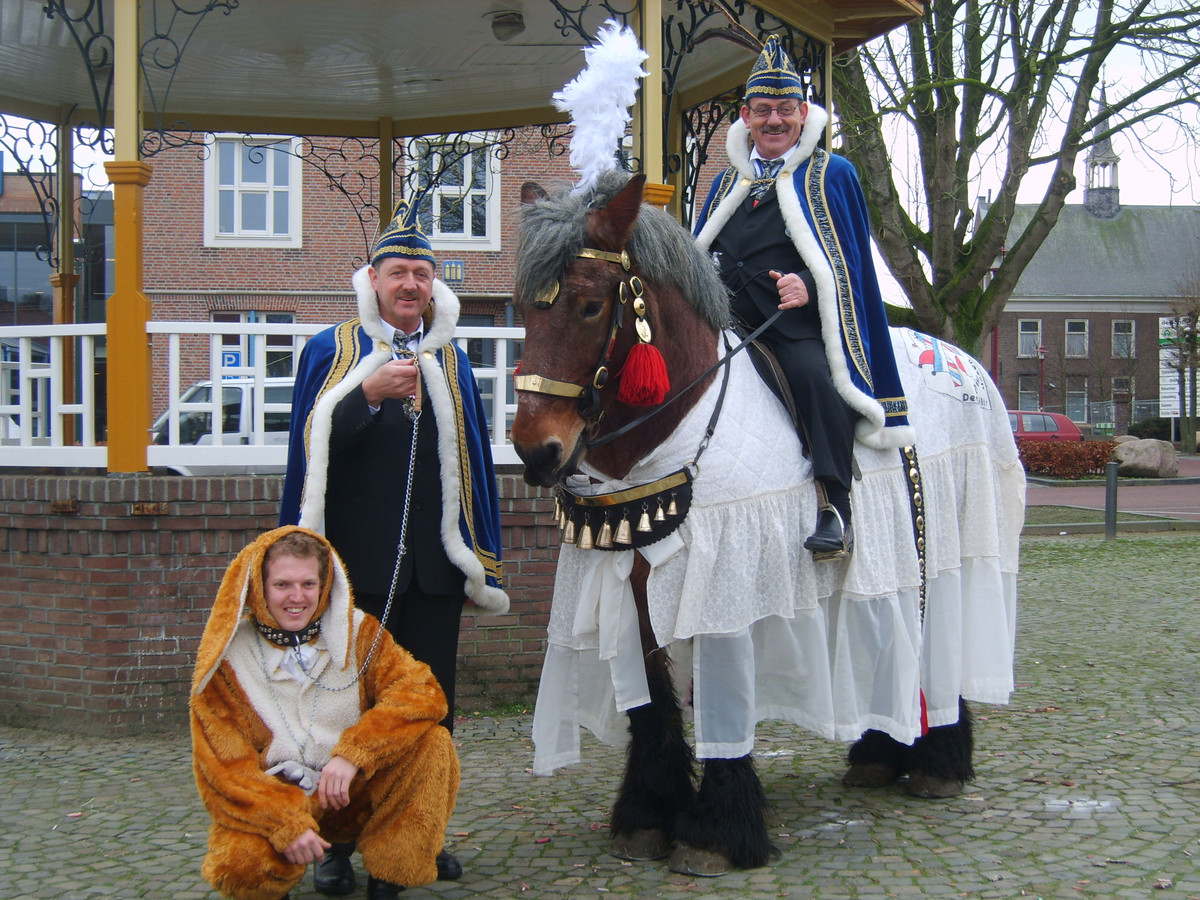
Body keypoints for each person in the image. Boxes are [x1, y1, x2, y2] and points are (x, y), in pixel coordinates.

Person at [279, 198, 509, 892]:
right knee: (343, 713)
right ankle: (340, 846)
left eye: (422, 274)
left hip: (433, 573)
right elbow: (310, 450)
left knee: (426, 715)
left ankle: (417, 835)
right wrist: (367, 397)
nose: (411, 286)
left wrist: (476, 554)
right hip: (357, 571)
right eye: (398, 273)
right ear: (373, 281)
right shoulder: (334, 349)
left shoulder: (453, 358)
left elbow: (471, 461)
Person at [694, 35, 916, 557]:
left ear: (803, 114)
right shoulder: (727, 181)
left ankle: (836, 505)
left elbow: (850, 262)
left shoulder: (832, 174)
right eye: (764, 110)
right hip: (725, 318)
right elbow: (698, 251)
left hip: (789, 325)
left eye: (786, 110)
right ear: (745, 116)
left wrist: (811, 285)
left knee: (816, 378)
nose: (774, 121)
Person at [190, 526, 460, 900]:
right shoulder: (226, 660)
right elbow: (224, 771)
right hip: (277, 795)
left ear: (324, 583)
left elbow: (422, 691)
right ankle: (282, 875)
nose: (296, 597)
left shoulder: (358, 631)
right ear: (259, 586)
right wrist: (284, 820)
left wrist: (355, 754)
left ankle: (389, 878)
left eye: (308, 584)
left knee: (433, 741)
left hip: (353, 790)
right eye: (282, 585)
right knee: (240, 867)